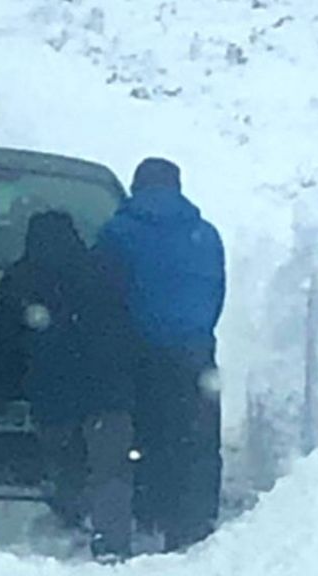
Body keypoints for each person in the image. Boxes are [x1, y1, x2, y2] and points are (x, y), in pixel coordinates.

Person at [95, 158, 226, 552]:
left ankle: (146, 509)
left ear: (136, 187)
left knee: (141, 436)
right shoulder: (206, 234)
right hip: (194, 351)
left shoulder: (117, 232)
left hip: (136, 352)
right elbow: (216, 292)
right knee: (195, 441)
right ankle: (192, 526)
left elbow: (105, 293)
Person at [0, 211, 137, 561]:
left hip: (52, 389)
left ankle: (71, 514)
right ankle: (112, 542)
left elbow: (6, 342)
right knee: (111, 467)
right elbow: (127, 325)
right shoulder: (104, 269)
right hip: (108, 387)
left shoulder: (20, 277)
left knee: (64, 457)